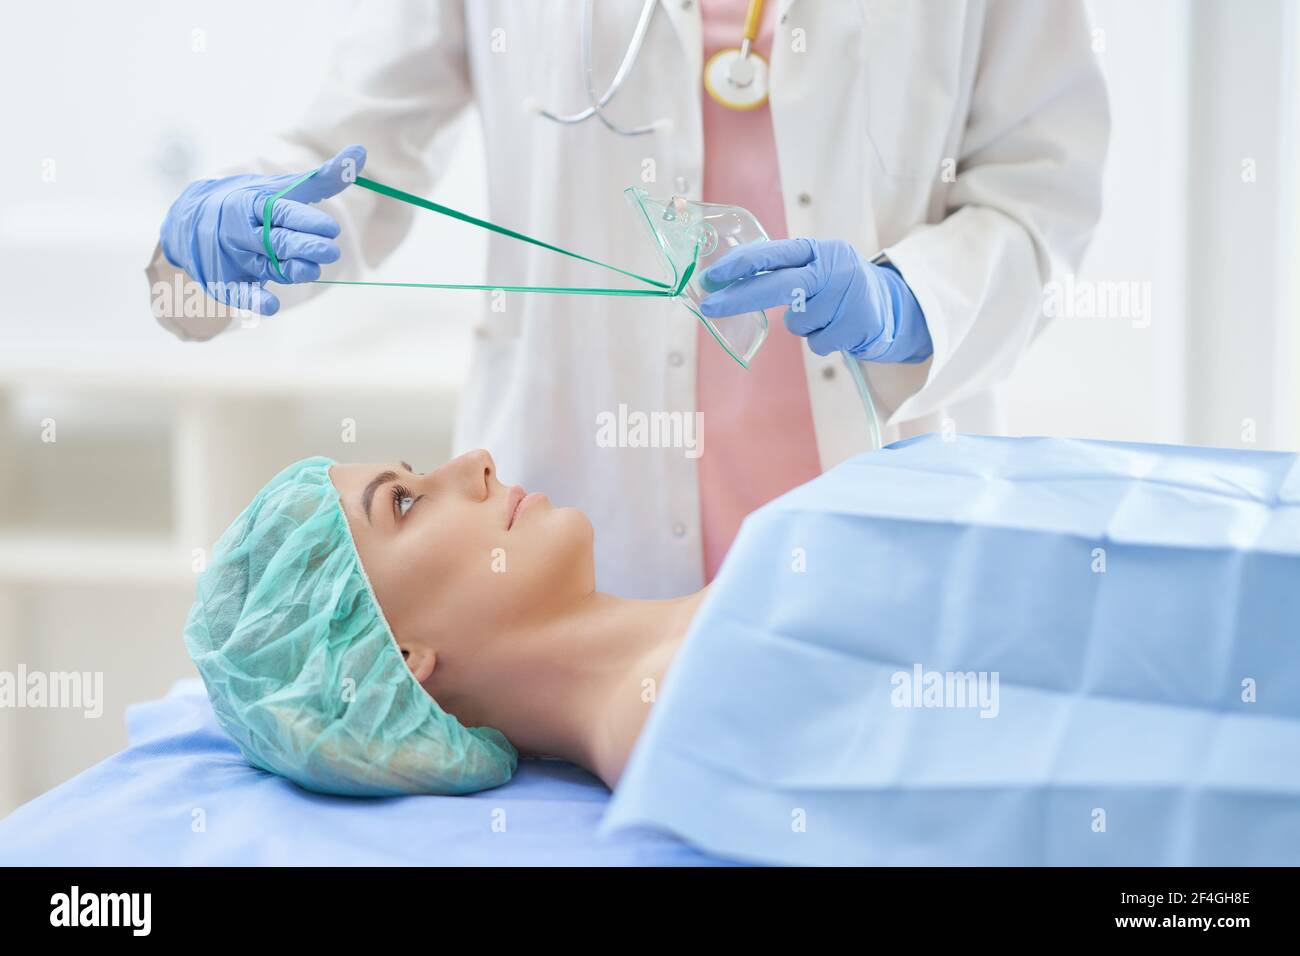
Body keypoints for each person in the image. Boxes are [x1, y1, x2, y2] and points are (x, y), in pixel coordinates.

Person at [152, 0, 1109, 599]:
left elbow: (1038, 194)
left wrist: (907, 305)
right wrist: (223, 239)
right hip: (580, 544)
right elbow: (352, 152)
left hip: (887, 544)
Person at [185, 449, 703, 796]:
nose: (477, 460)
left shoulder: (692, 645)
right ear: (398, 657)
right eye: (403, 503)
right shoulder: (668, 707)